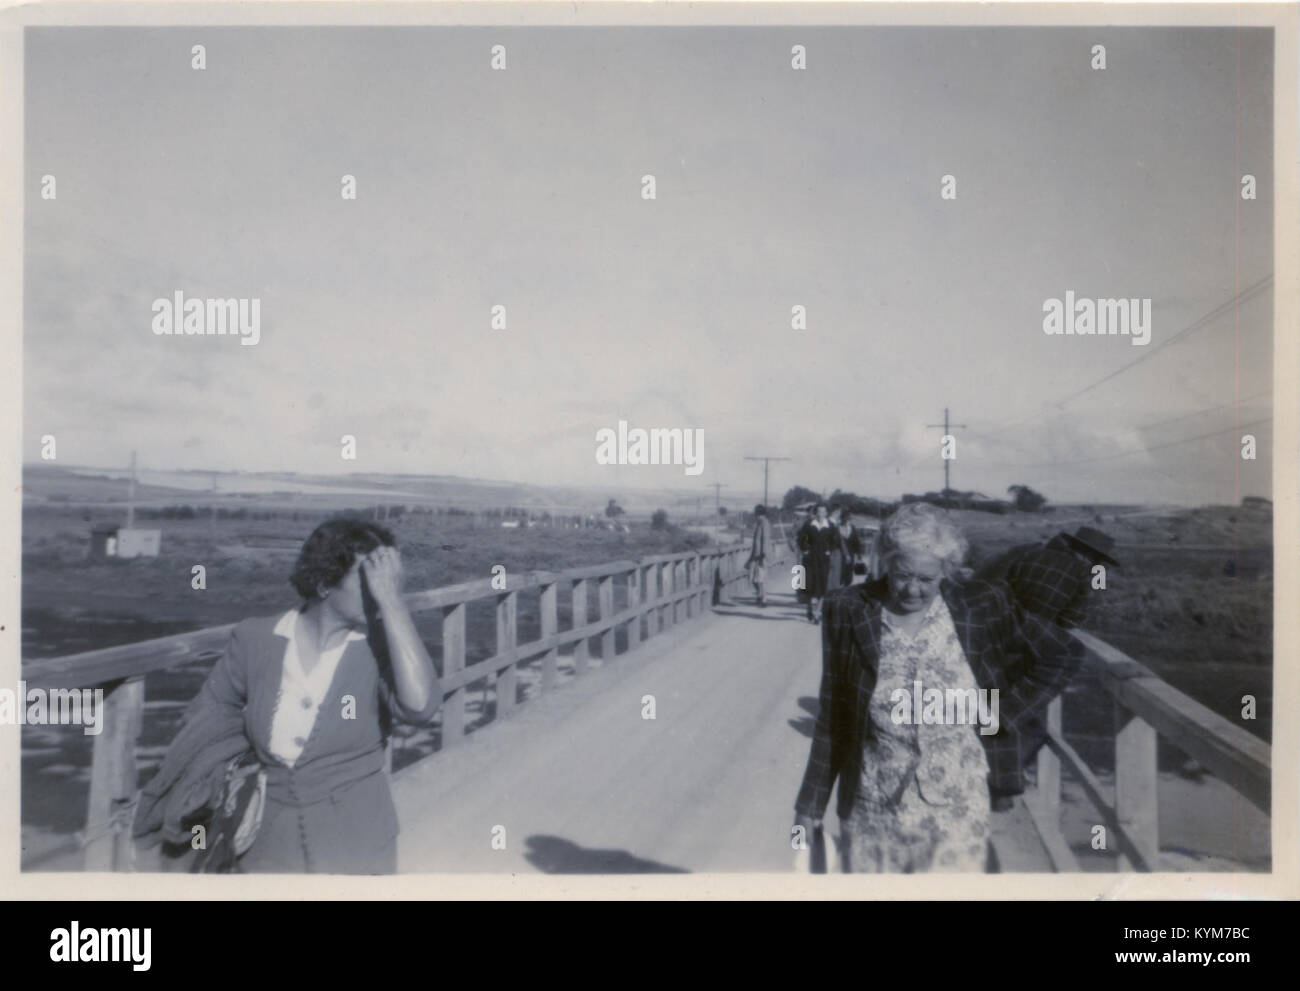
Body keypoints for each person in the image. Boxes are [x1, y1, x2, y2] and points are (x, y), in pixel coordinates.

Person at [135, 519, 441, 873]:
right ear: (324, 583)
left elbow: (421, 707)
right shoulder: (256, 640)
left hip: (358, 846)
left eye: (384, 577)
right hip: (267, 848)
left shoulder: (380, 647)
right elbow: (205, 725)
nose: (379, 586)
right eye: (368, 577)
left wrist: (392, 603)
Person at [792, 503, 1076, 872]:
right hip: (873, 802)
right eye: (902, 575)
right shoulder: (847, 609)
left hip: (958, 805)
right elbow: (833, 715)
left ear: (947, 570)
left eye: (926, 579)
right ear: (886, 563)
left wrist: (1000, 715)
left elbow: (1062, 654)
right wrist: (809, 806)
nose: (912, 590)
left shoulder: (980, 604)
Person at [973, 526, 1116, 806]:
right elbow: (1070, 621)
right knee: (1028, 722)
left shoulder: (1028, 552)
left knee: (987, 707)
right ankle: (999, 789)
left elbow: (991, 582)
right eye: (1098, 562)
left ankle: (982, 779)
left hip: (989, 637)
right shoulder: (1082, 574)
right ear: (1090, 557)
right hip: (1028, 648)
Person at [797, 503, 838, 622]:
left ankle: (817, 612)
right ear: (816, 513)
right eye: (818, 512)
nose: (820, 514)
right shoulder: (809, 524)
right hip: (810, 559)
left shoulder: (830, 526)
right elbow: (800, 538)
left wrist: (829, 550)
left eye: (823, 512)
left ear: (826, 513)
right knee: (809, 584)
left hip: (823, 560)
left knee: (822, 586)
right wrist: (805, 550)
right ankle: (809, 608)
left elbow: (835, 540)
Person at [747, 505, 772, 606]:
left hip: (761, 555)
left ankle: (763, 598)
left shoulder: (764, 523)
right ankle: (760, 596)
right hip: (757, 555)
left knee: (759, 578)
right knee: (755, 577)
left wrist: (763, 554)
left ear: (758, 513)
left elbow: (765, 539)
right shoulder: (761, 522)